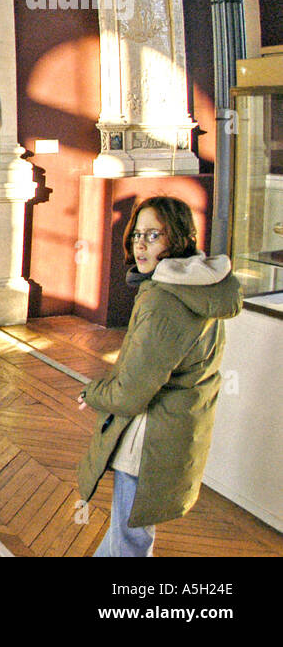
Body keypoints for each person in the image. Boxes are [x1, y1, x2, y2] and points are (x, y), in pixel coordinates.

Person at [78, 196, 241, 556]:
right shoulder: (203, 285)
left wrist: (92, 392)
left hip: (147, 439)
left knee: (130, 541)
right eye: (137, 234)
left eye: (153, 235)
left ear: (178, 239)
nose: (139, 244)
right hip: (177, 432)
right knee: (128, 533)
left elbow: (130, 394)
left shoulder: (164, 300)